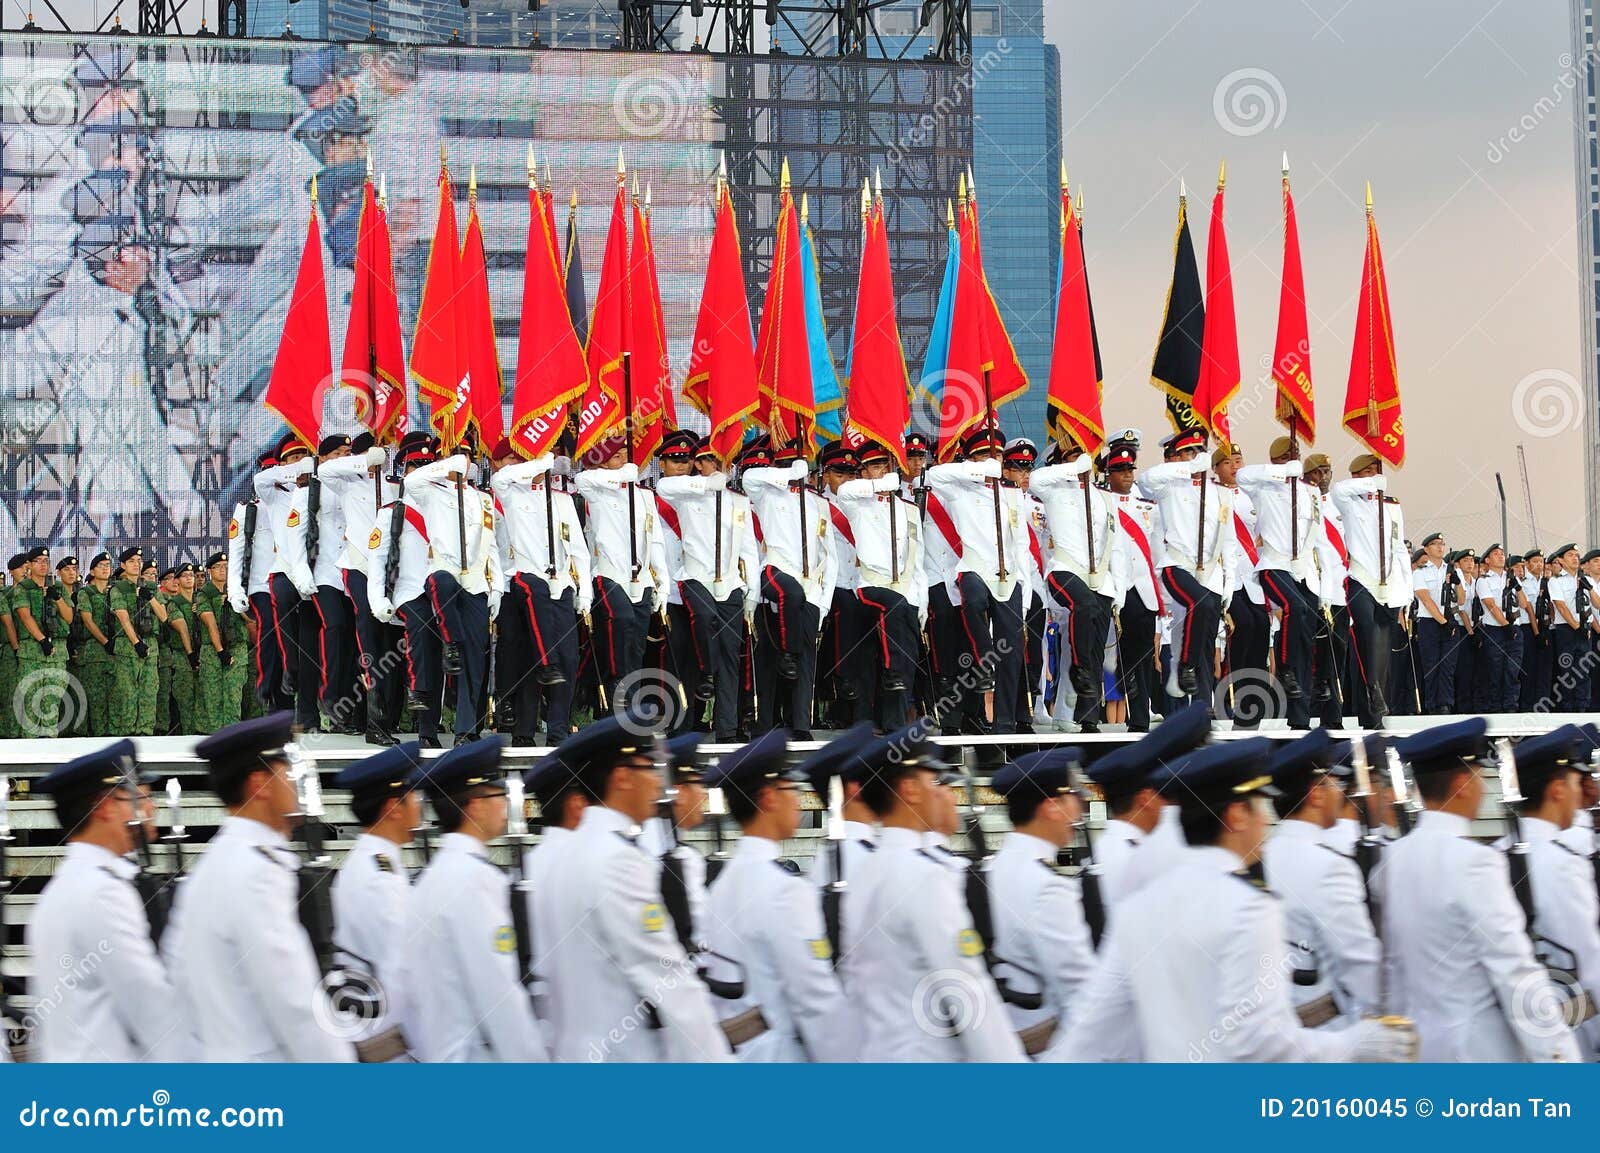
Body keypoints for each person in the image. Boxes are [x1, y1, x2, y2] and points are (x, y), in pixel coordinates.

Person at [1053, 737, 1416, 1063]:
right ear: (1237, 815)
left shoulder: (1138, 908)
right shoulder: (1249, 908)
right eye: (1257, 805)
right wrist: (1352, 1045)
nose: (1264, 820)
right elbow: (1256, 1042)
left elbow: (1088, 1029)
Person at [1382, 718, 1581, 1061]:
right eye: (1478, 775)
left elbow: (1395, 968)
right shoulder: (1474, 862)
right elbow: (1514, 973)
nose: (1483, 787)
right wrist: (1559, 1057)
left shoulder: (1394, 857)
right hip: (1478, 1056)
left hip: (1421, 1051)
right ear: (1462, 784)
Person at [538, 715, 732, 1062]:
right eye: (649, 768)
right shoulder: (620, 862)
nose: (659, 784)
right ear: (622, 777)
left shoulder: (562, 855)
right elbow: (668, 980)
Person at [164, 714, 355, 1061]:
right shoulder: (256, 874)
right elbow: (296, 1004)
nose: (295, 779)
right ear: (259, 785)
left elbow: (178, 987)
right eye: (285, 768)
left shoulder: (211, 868)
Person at [849, 725, 1025, 1062]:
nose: (942, 793)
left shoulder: (866, 869)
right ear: (910, 789)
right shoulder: (924, 875)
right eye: (934, 781)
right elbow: (965, 986)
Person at [27, 740, 191, 1061]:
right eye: (135, 797)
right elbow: (150, 1007)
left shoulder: (65, 888)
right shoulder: (102, 892)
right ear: (103, 806)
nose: (149, 808)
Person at [701, 729, 856, 1061]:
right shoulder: (784, 890)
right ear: (769, 798)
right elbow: (817, 1002)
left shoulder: (723, 883)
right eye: (790, 789)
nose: (797, 799)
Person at [405, 736, 548, 1062]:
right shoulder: (473, 880)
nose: (505, 804)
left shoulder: (434, 876)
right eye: (497, 794)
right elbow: (498, 993)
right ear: (475, 805)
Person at [1260, 729, 1382, 1026]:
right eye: (1334, 783)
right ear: (1315, 793)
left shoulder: (1260, 858)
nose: (1340, 792)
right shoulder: (1330, 867)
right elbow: (1359, 960)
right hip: (1326, 1032)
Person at [985, 748, 1096, 1056]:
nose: (1079, 813)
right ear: (1051, 807)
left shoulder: (992, 868)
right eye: (1074, 798)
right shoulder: (1047, 886)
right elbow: (1081, 991)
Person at [926, 427, 1031, 739]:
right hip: (974, 568)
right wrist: (979, 468)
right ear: (971, 458)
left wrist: (1023, 596)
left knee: (1011, 654)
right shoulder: (960, 489)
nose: (993, 461)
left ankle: (1005, 725)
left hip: (1007, 576)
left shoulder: (1012, 493)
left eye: (996, 455)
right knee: (972, 599)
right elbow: (935, 476)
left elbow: (1021, 545)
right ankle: (985, 659)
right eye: (985, 455)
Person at [1504, 725, 1600, 1057]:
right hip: (1570, 1033)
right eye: (1575, 782)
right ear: (1557, 789)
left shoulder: (1500, 851)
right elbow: (1587, 959)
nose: (1581, 791)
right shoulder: (1562, 862)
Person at [655, 440, 760, 741]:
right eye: (712, 460)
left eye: (724, 460)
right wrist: (704, 485)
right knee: (704, 617)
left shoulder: (738, 502)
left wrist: (752, 592)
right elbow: (665, 489)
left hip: (728, 583)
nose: (721, 466)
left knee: (730, 654)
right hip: (695, 577)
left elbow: (749, 549)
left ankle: (726, 728)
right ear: (698, 464)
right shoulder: (686, 493)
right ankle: (705, 671)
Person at [490, 440, 591, 745]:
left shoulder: (561, 500)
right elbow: (501, 478)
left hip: (560, 584)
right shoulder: (510, 493)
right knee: (532, 660)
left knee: (568, 660)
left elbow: (578, 550)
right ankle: (524, 731)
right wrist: (541, 461)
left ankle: (558, 731)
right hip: (526, 581)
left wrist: (584, 590)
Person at [331, 742, 424, 1063]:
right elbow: (402, 972)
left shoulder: (372, 863)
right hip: (393, 1049)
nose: (419, 804)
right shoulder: (379, 879)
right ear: (393, 807)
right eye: (412, 796)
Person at [405, 448, 503, 740]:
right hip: (442, 576)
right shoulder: (431, 490)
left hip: (474, 582)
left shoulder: (483, 499)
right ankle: (427, 728)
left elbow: (491, 546)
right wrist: (447, 466)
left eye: (467, 457)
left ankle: (466, 729)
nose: (464, 462)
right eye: (456, 456)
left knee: (474, 658)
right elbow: (411, 482)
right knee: (433, 655)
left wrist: (497, 585)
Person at [744, 445, 837, 738]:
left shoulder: (818, 503)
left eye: (800, 466)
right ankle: (764, 724)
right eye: (783, 464)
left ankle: (800, 725)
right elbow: (750, 478)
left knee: (805, 661)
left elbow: (830, 556)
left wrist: (823, 602)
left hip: (810, 587)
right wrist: (785, 474)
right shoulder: (768, 493)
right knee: (768, 659)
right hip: (775, 577)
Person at [575, 441, 669, 714]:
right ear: (604, 462)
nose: (624, 463)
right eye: (616, 457)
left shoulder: (644, 496)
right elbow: (582, 478)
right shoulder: (597, 489)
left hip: (641, 579)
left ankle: (629, 694)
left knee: (637, 641)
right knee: (621, 622)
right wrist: (618, 476)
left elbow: (656, 540)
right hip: (609, 573)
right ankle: (616, 684)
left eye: (627, 457)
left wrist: (662, 582)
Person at [1032, 441, 1115, 732]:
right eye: (1073, 456)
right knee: (1083, 614)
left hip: (1101, 579)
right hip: (1065, 569)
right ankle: (1073, 683)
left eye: (1085, 456)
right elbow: (1035, 479)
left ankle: (1088, 718)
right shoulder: (1054, 489)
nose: (1081, 461)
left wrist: (1119, 589)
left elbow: (1112, 543)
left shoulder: (1103, 497)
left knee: (1095, 649)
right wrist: (1071, 469)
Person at [1093, 700, 1212, 903]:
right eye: (1166, 793)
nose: (1172, 804)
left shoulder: (1117, 849)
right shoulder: (1141, 861)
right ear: (1146, 798)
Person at [1238, 439, 1321, 729]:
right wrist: (1280, 471)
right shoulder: (1264, 487)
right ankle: (1283, 666)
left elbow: (1315, 535)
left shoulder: (1311, 493)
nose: (1292, 460)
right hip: (1273, 564)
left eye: (1294, 456)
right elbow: (1242, 476)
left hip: (1303, 570)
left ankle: (1300, 718)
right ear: (1275, 460)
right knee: (1292, 607)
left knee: (1305, 643)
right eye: (1285, 457)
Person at [1142, 428, 1228, 704]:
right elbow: (1147, 479)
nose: (1195, 457)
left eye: (1199, 452)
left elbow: (1229, 543)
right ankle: (1185, 666)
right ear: (1176, 457)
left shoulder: (1219, 494)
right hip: (1176, 566)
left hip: (1210, 573)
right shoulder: (1170, 486)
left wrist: (1228, 582)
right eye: (1188, 452)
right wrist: (1187, 468)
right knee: (1199, 605)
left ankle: (1203, 706)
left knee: (1206, 642)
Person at [1331, 454, 1408, 727]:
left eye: (1376, 472)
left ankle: (1374, 714)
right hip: (1360, 579)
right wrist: (1369, 484)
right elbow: (1338, 489)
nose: (1373, 476)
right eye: (1366, 473)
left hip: (1389, 584)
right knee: (1366, 634)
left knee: (1382, 648)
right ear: (1357, 477)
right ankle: (1372, 688)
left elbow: (1399, 548)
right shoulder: (1349, 503)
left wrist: (1406, 589)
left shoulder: (1392, 507)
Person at [12, 545, 73, 736]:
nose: (42, 565)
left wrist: (57, 598)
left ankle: (50, 751)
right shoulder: (23, 588)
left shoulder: (58, 589)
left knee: (52, 703)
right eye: (37, 561)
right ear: (29, 565)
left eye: (45, 561)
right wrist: (42, 640)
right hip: (32, 652)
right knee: (30, 703)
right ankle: (29, 753)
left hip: (58, 653)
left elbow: (69, 617)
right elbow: (25, 616)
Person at [108, 546, 166, 736]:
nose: (136, 565)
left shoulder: (150, 588)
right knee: (128, 690)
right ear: (123, 565)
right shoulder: (118, 589)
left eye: (138, 561)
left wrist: (150, 598)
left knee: (150, 689)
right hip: (127, 645)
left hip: (151, 643)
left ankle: (145, 730)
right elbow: (123, 617)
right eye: (131, 561)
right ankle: (128, 730)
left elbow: (164, 616)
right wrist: (136, 643)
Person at [194, 552, 249, 733]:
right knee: (212, 695)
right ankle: (214, 734)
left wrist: (236, 603)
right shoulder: (204, 594)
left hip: (237, 647)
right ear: (210, 570)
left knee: (234, 694)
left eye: (226, 567)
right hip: (212, 650)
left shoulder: (238, 590)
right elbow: (210, 623)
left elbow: (251, 620)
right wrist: (220, 651)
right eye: (218, 567)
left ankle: (232, 733)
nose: (223, 570)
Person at [72, 553, 117, 737]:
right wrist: (105, 642)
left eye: (108, 565)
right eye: (101, 565)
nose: (106, 568)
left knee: (115, 698)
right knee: (97, 700)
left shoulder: (115, 592)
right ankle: (99, 737)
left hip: (115, 653)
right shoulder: (86, 593)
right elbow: (88, 621)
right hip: (96, 652)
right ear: (92, 571)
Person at [1411, 531, 1454, 713]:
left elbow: (1460, 600)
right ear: (1426, 549)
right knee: (1431, 664)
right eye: (1435, 544)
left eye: (1442, 544)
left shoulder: (1451, 571)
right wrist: (1443, 622)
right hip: (1430, 623)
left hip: (1449, 622)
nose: (1440, 547)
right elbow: (1426, 599)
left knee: (1447, 665)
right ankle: (1431, 705)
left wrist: (1457, 583)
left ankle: (1445, 703)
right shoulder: (1420, 572)